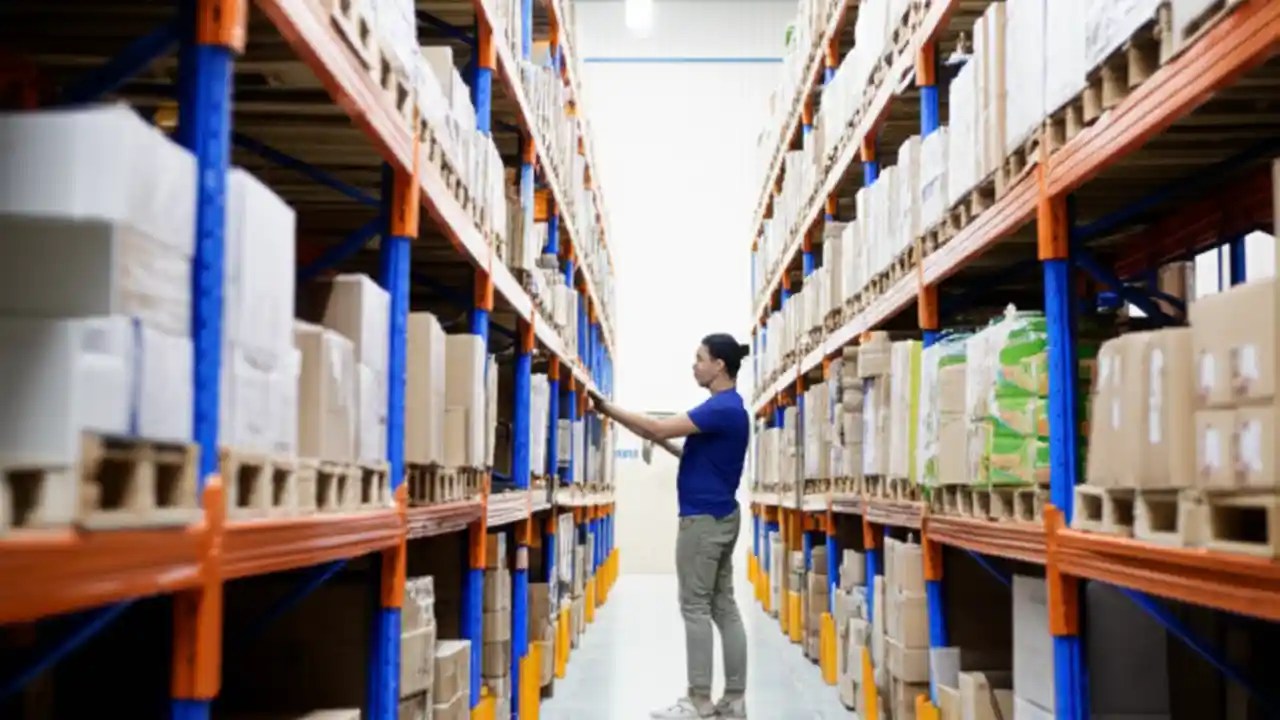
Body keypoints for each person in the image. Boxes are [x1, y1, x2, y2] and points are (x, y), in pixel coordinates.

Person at [590, 333, 752, 719]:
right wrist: (663, 442)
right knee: (723, 606)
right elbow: (693, 455)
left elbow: (654, 427)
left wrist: (607, 408)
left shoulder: (721, 409)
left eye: (700, 358)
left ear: (720, 366)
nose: (694, 364)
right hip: (721, 515)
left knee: (695, 606)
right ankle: (733, 701)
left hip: (702, 522)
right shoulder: (728, 408)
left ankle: (698, 701)